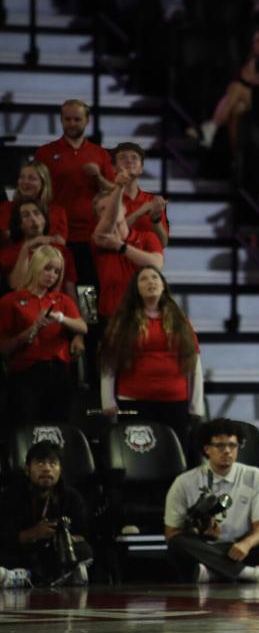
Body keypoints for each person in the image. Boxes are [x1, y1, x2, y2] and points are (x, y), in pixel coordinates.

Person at [165, 419, 259, 583]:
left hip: (241, 548)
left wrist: (246, 544)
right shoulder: (184, 482)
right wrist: (199, 534)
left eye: (232, 445)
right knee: (177, 544)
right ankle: (251, 574)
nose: (227, 451)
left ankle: (215, 572)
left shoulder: (253, 475)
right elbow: (171, 533)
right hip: (206, 548)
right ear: (207, 449)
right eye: (220, 446)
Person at [98, 266, 203, 449]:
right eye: (144, 279)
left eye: (155, 277)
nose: (151, 282)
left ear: (163, 285)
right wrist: (107, 399)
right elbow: (109, 361)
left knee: (174, 458)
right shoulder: (123, 321)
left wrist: (196, 404)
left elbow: (194, 362)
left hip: (175, 401)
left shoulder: (180, 320)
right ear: (136, 288)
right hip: (134, 400)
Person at [0, 246, 87, 425]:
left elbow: (82, 327)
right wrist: (31, 330)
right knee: (25, 429)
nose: (52, 275)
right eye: (48, 268)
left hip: (58, 373)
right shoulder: (11, 301)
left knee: (58, 430)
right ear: (36, 266)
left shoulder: (62, 300)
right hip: (25, 374)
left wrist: (61, 318)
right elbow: (4, 348)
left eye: (56, 271)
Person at [33, 99, 115, 280]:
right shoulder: (44, 153)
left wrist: (98, 177)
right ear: (61, 120)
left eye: (77, 119)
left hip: (90, 235)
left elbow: (114, 192)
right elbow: (35, 192)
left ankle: (87, 310)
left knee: (88, 287)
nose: (72, 123)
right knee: (55, 283)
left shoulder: (100, 154)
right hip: (55, 233)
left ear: (87, 121)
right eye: (67, 119)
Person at [0, 441, 93, 587]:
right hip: (22, 551)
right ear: (27, 469)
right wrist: (32, 533)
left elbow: (84, 533)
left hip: (53, 552)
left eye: (52, 464)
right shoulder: (10, 496)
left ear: (60, 469)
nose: (46, 469)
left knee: (83, 550)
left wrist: (65, 539)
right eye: (40, 463)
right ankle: (53, 576)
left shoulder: (71, 497)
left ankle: (27, 577)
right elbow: (4, 536)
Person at [198, 28, 259, 150]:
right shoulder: (248, 64)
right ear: (253, 46)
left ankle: (212, 126)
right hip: (256, 102)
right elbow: (242, 86)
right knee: (237, 107)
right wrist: (249, 76)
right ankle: (236, 156)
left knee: (236, 87)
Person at [90, 178, 165, 320]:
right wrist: (119, 186)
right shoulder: (98, 239)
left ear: (124, 208)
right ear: (98, 218)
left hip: (142, 317)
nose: (109, 211)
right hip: (110, 318)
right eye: (103, 209)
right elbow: (108, 223)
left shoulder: (147, 237)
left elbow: (156, 264)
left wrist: (121, 246)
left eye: (113, 206)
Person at [1, 200, 78, 298]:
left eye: (37, 213)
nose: (33, 219)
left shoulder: (62, 251)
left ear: (45, 219)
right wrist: (26, 248)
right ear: (19, 224)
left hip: (55, 307)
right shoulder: (8, 253)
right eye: (25, 215)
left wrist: (75, 312)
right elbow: (16, 286)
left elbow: (70, 291)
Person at [112, 142, 169, 248]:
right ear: (113, 168)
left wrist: (156, 220)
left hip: (147, 262)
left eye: (134, 158)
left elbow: (163, 243)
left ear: (141, 168)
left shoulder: (152, 200)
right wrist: (139, 212)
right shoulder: (106, 199)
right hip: (117, 261)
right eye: (123, 157)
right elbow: (111, 235)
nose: (129, 161)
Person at [0, 161, 68, 245]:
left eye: (32, 178)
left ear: (43, 183)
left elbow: (59, 245)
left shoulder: (57, 212)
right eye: (22, 177)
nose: (25, 181)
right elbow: (5, 240)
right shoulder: (5, 208)